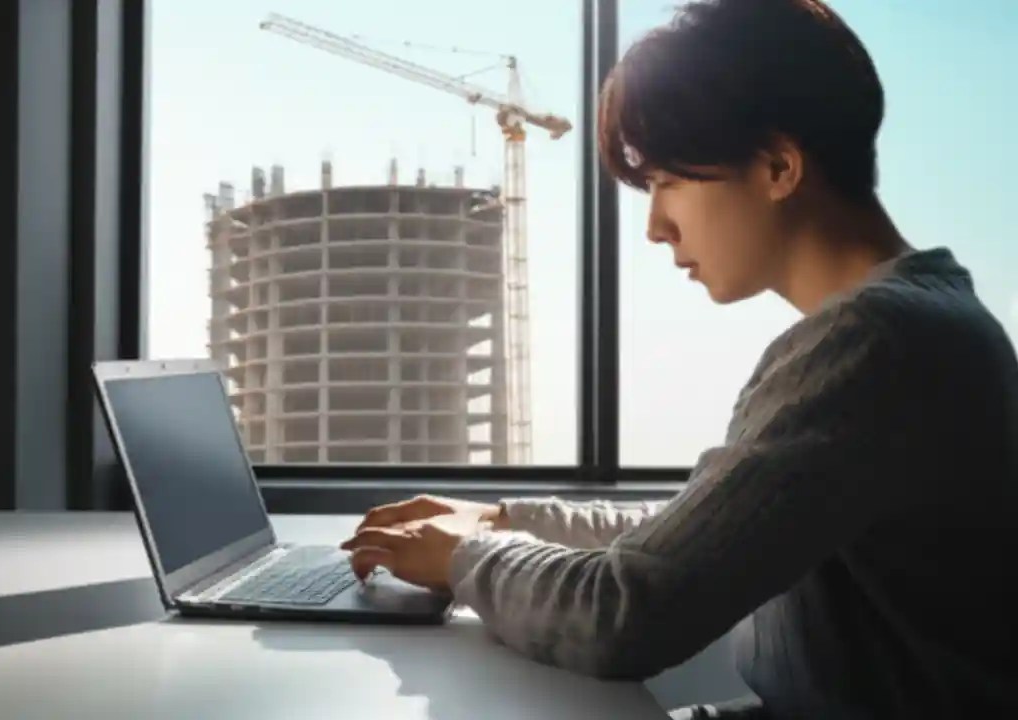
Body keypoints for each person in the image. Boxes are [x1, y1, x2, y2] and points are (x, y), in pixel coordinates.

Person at [338, 0, 1018, 717]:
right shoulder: (925, 317)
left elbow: (626, 615)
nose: (657, 227)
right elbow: (697, 531)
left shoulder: (873, 345)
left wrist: (462, 558)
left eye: (667, 181)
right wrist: (503, 518)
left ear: (778, 166)